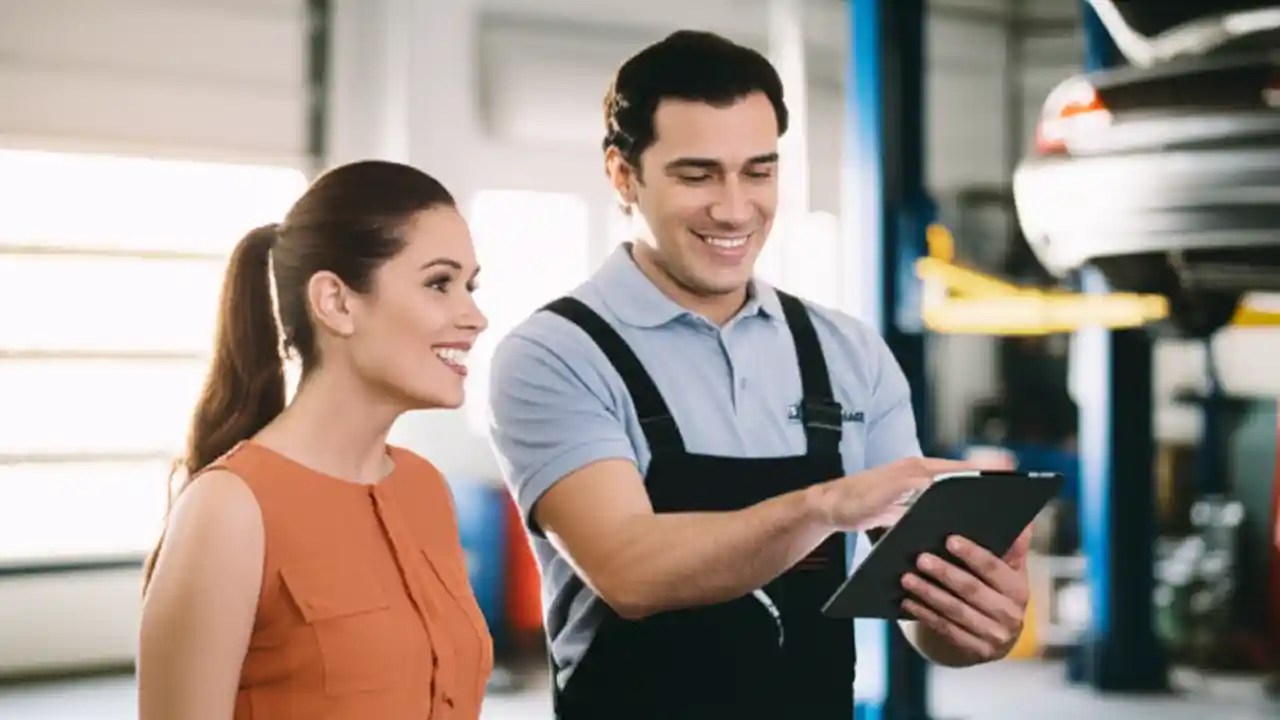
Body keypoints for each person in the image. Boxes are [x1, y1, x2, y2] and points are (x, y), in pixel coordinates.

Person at [487, 30, 1032, 719]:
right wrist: (824, 505)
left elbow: (922, 617)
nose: (735, 208)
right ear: (623, 175)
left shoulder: (849, 353)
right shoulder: (555, 356)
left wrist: (973, 620)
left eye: (758, 171)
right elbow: (630, 570)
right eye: (697, 174)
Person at [138, 160, 494, 720]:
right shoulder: (228, 510)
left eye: (470, 286)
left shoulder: (425, 488)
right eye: (438, 284)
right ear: (336, 302)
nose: (476, 317)